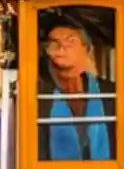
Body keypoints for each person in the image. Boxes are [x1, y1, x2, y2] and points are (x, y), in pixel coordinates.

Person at [39, 16, 115, 161]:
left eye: (70, 41)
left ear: (86, 49)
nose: (62, 48)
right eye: (54, 43)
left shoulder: (109, 93)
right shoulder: (39, 96)